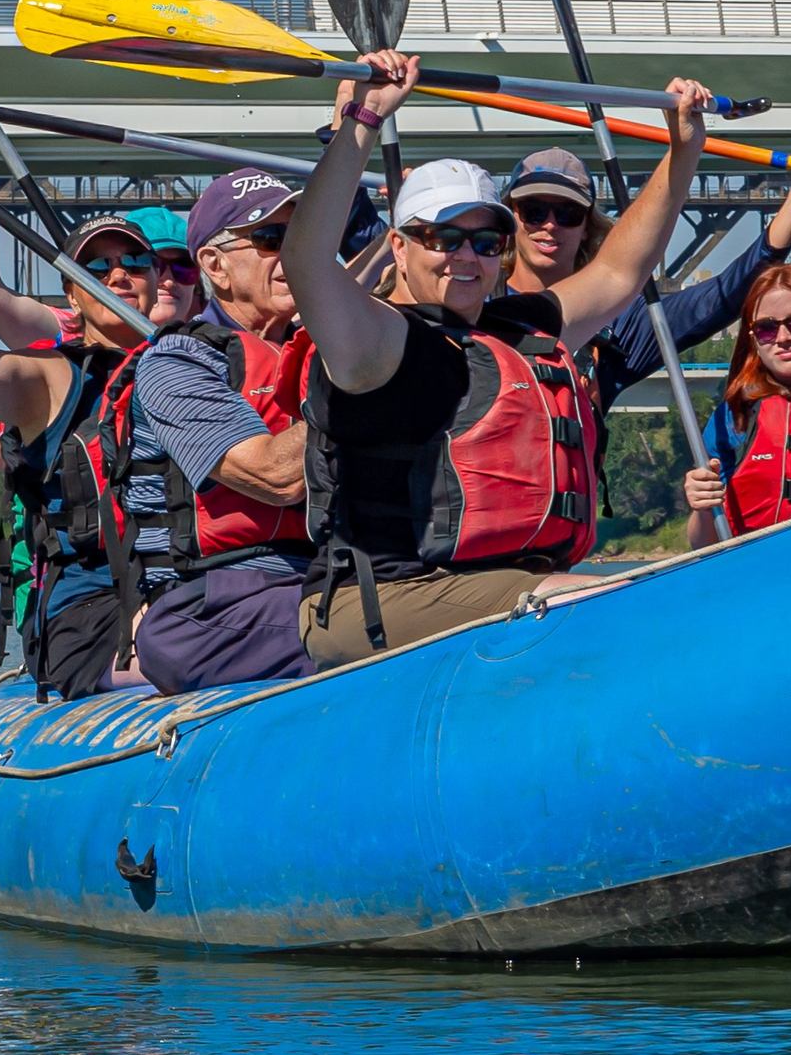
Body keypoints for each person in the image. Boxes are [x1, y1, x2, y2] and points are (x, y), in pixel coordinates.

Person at [282, 53, 714, 664]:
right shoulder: (376, 340)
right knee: (603, 605)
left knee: (617, 596)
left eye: (486, 242)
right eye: (444, 238)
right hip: (381, 600)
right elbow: (307, 262)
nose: (467, 257)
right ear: (400, 248)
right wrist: (363, 119)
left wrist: (684, 148)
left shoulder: (515, 327)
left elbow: (620, 271)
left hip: (498, 582)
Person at [0, 139, 199, 698]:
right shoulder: (53, 377)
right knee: (196, 648)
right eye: (98, 267)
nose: (118, 276)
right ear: (73, 293)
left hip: (185, 590)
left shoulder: (195, 366)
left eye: (134, 263)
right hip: (90, 612)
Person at [120, 163, 367, 695]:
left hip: (331, 572)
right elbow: (277, 477)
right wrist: (355, 375)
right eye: (272, 239)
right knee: (172, 637)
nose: (295, 255)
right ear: (215, 265)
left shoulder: (324, 345)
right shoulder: (176, 362)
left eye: (302, 238)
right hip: (220, 595)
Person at [500, 134, 791, 410]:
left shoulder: (618, 327)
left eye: (567, 213)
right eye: (533, 211)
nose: (549, 225)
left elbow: (721, 297)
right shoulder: (482, 309)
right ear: (510, 217)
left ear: (587, 226)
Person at [678, 264, 791, 543]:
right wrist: (702, 506)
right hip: (757, 562)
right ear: (753, 339)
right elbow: (703, 544)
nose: (783, 338)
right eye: (766, 328)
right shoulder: (733, 418)